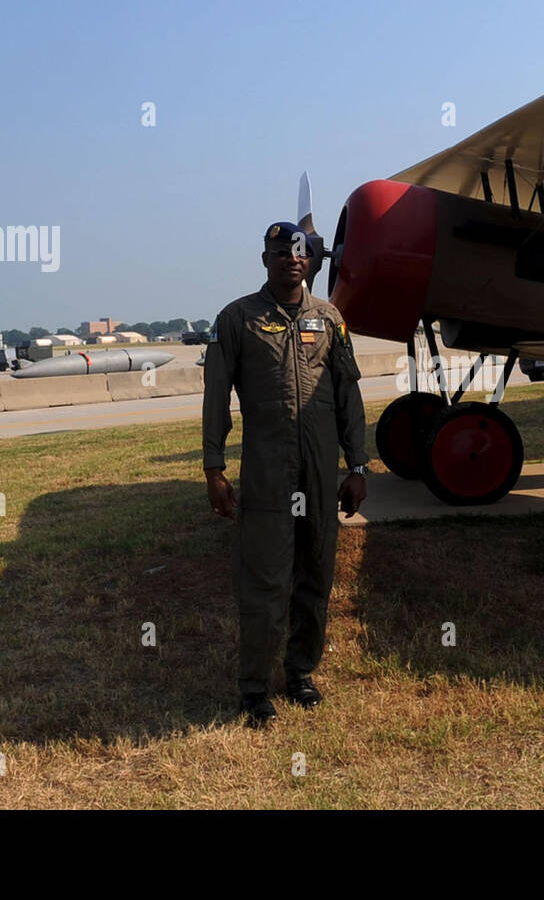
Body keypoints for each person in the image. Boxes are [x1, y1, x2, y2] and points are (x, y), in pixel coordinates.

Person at [202, 222, 369, 727]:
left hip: (319, 472)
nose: (290, 259)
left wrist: (357, 465)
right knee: (264, 581)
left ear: (310, 261)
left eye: (299, 252)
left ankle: (299, 672)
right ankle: (254, 686)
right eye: (280, 252)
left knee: (315, 575)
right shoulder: (238, 319)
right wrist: (214, 467)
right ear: (265, 259)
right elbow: (216, 399)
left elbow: (348, 396)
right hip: (269, 474)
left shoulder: (330, 318)